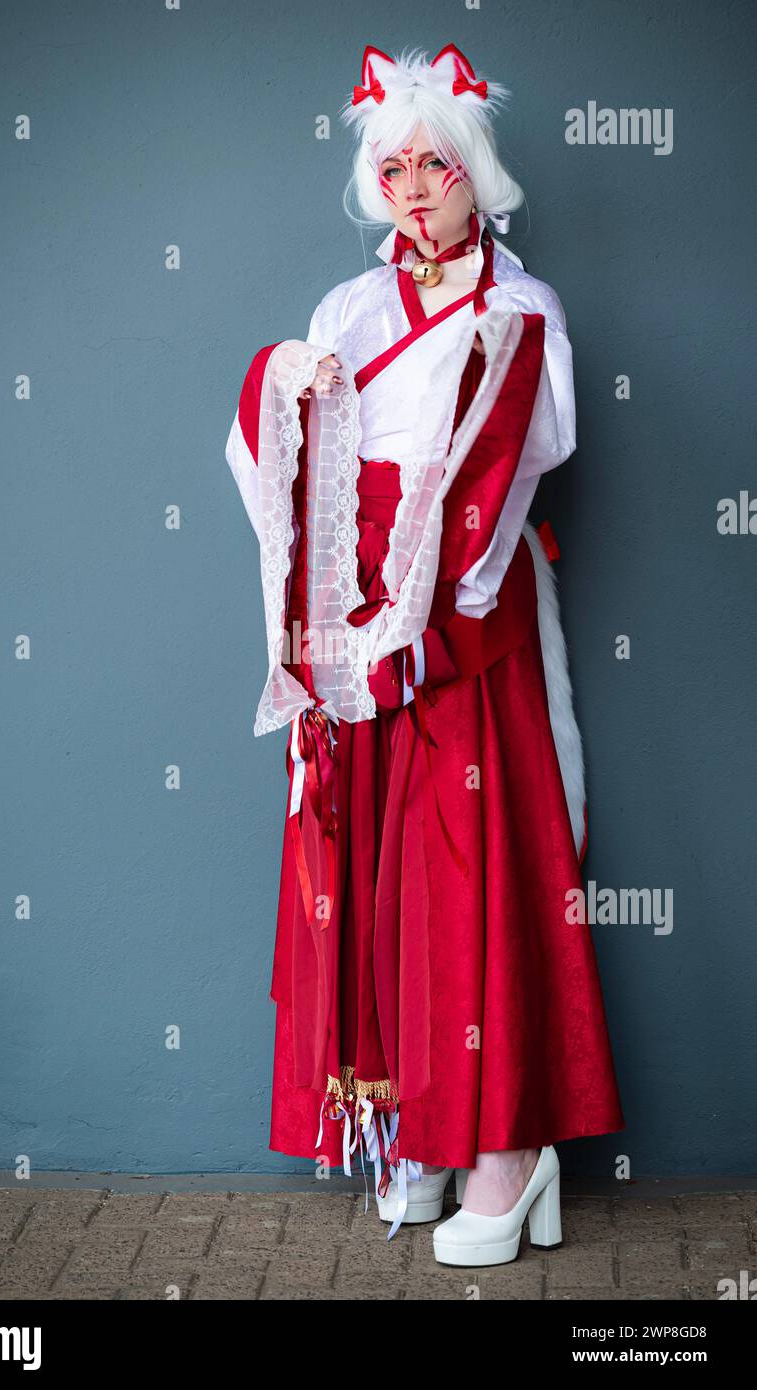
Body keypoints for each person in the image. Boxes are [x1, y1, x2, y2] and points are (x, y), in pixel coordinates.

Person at [224, 43, 625, 1268]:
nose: (411, 186)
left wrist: (436, 547)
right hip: (357, 631)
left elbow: (535, 438)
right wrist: (282, 391)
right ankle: (418, 1129)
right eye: (390, 165)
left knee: (478, 870)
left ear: (476, 177)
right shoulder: (345, 310)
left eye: (433, 164)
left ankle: (510, 1146)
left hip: (472, 613)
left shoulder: (524, 306)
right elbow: (270, 460)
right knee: (383, 873)